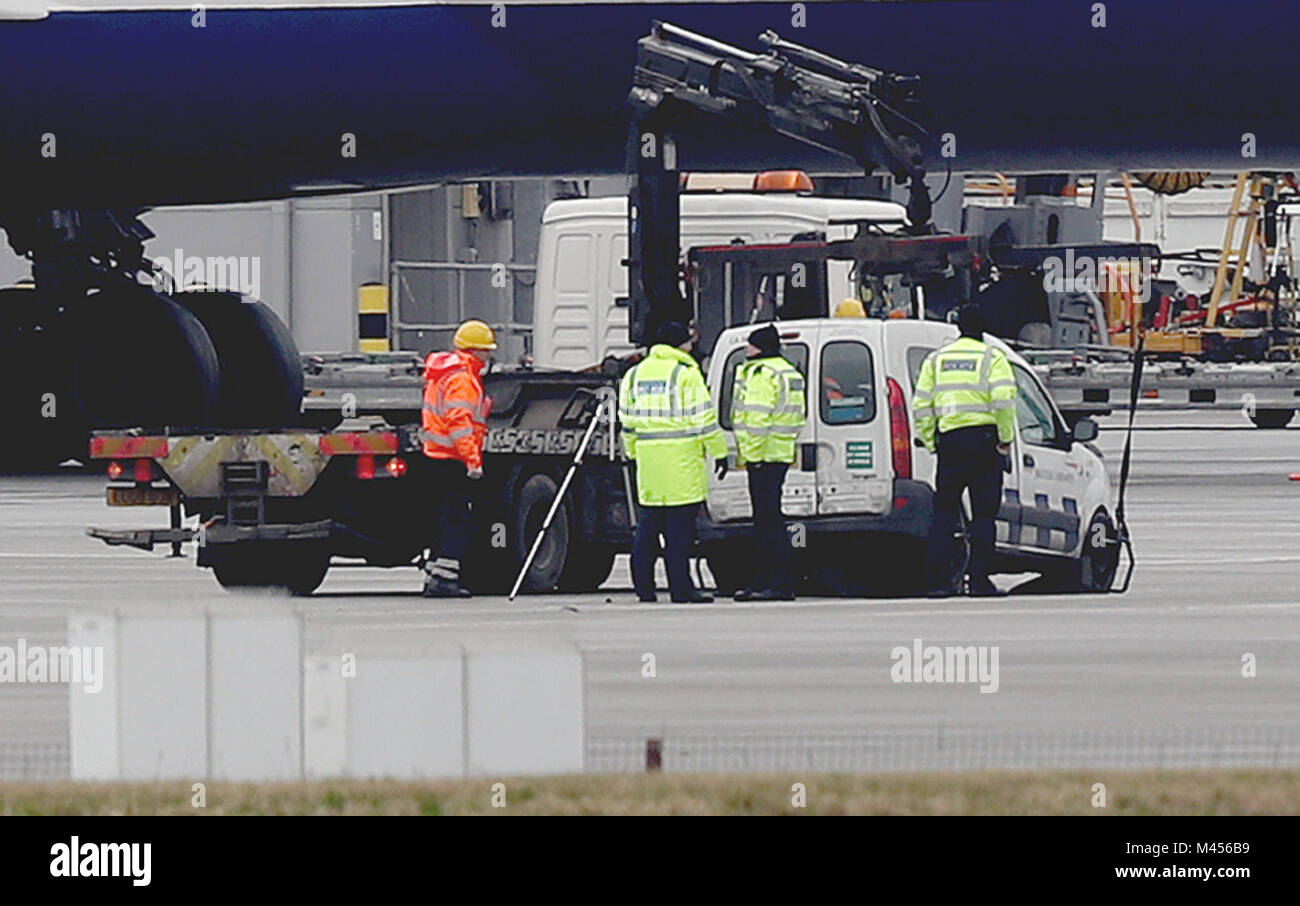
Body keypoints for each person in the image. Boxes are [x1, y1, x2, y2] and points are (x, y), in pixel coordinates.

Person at [913, 305, 1017, 598]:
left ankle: (938, 583)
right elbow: (1003, 400)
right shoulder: (992, 358)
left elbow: (921, 405)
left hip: (950, 444)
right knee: (983, 517)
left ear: (958, 326)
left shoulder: (936, 360)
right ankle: (980, 582)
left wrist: (932, 441)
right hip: (985, 443)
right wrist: (1004, 439)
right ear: (983, 329)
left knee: (943, 514)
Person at [619, 321, 726, 603]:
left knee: (647, 529)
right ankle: (681, 589)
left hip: (649, 461)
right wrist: (719, 452)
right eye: (688, 342)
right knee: (679, 533)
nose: (692, 346)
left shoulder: (634, 375)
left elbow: (627, 422)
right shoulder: (686, 374)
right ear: (678, 344)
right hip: (682, 463)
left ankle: (644, 589)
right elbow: (703, 418)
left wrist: (634, 453)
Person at [419, 319, 495, 597]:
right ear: (475, 351)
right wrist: (473, 461)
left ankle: (434, 576)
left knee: (444, 519)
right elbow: (460, 424)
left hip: (435, 456)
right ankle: (444, 579)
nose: (488, 356)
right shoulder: (463, 378)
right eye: (486, 350)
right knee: (459, 520)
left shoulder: (442, 373)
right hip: (452, 460)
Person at [730, 324, 806, 601]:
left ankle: (772, 583)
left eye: (750, 345)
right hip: (779, 454)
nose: (747, 350)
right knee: (771, 518)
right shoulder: (787, 371)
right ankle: (774, 580)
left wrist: (750, 455)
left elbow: (758, 419)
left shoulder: (763, 374)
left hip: (763, 456)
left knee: (766, 522)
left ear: (759, 347)